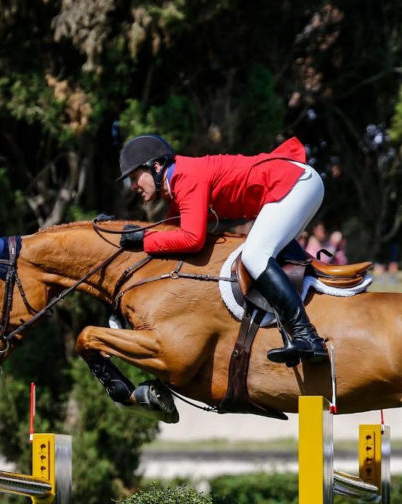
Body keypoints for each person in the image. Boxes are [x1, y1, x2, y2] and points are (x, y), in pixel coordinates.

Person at [116, 133, 327, 366]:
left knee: (255, 256)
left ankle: (306, 336)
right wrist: (118, 235)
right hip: (296, 183)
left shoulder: (186, 176)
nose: (133, 186)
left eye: (135, 177)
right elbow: (168, 233)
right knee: (264, 253)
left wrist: (143, 239)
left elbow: (192, 239)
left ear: (156, 167)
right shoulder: (176, 185)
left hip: (293, 183)